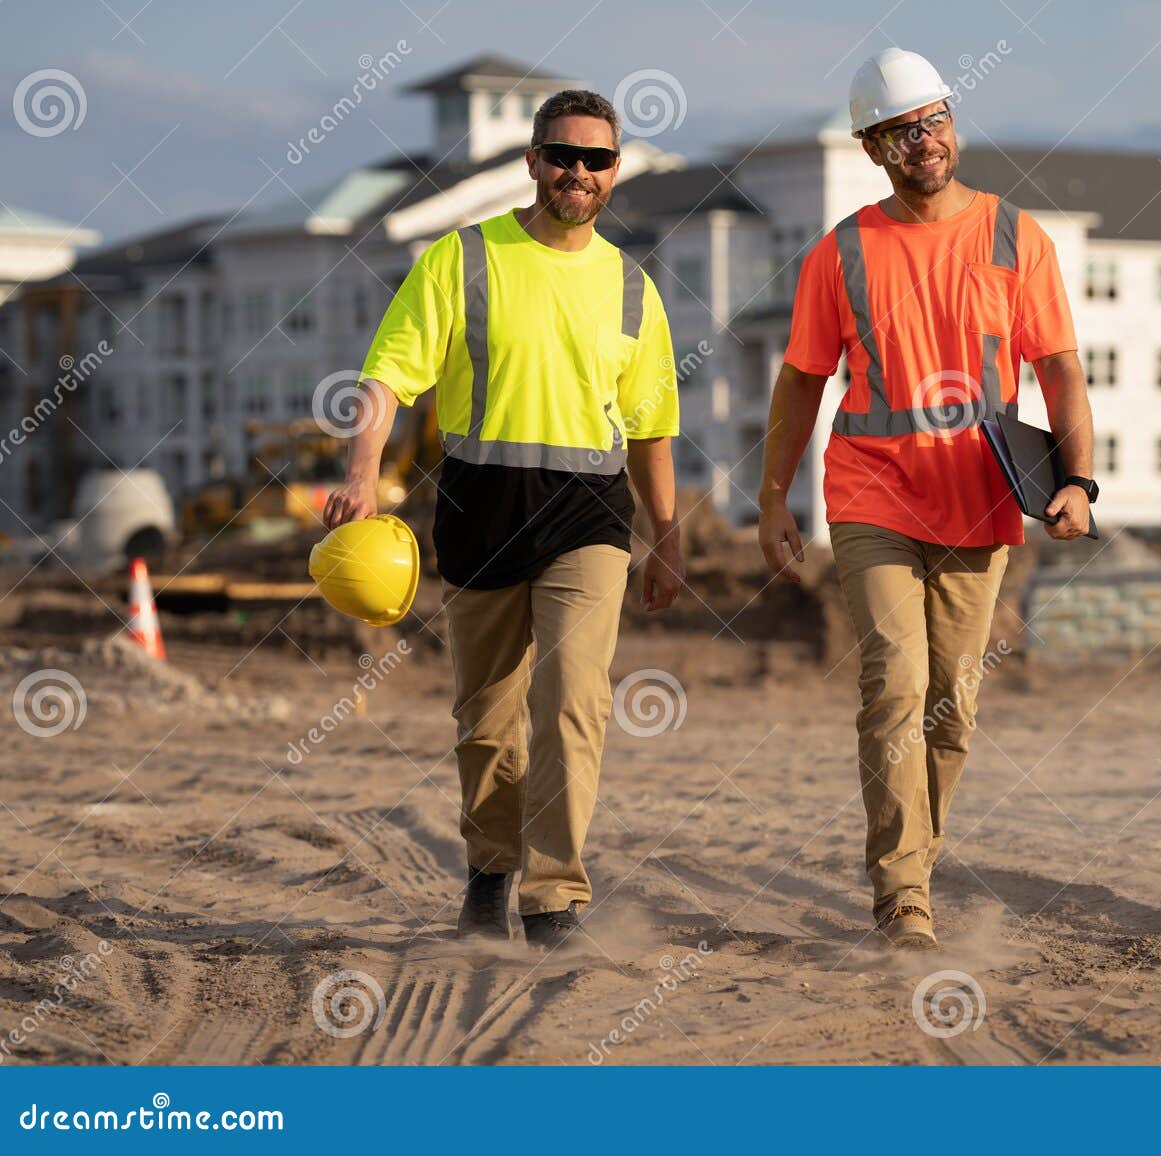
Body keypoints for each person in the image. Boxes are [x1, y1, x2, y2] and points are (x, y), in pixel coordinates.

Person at [324, 89, 683, 950]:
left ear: (615, 171)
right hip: (480, 507)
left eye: (596, 159)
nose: (578, 172)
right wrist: (361, 471)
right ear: (531, 162)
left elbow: (653, 427)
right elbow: (388, 376)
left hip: (588, 515)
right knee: (486, 719)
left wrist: (667, 543)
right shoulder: (463, 259)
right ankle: (491, 867)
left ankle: (553, 895)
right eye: (563, 155)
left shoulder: (633, 289)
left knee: (573, 702)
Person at [758, 48, 1097, 949]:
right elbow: (800, 382)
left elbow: (1059, 367)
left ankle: (920, 860)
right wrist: (770, 498)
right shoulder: (843, 253)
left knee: (953, 704)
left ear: (951, 120)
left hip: (980, 498)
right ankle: (902, 893)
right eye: (902, 132)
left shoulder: (1015, 238)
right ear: (874, 149)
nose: (924, 142)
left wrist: (1077, 479)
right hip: (872, 493)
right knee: (894, 685)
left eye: (934, 120)